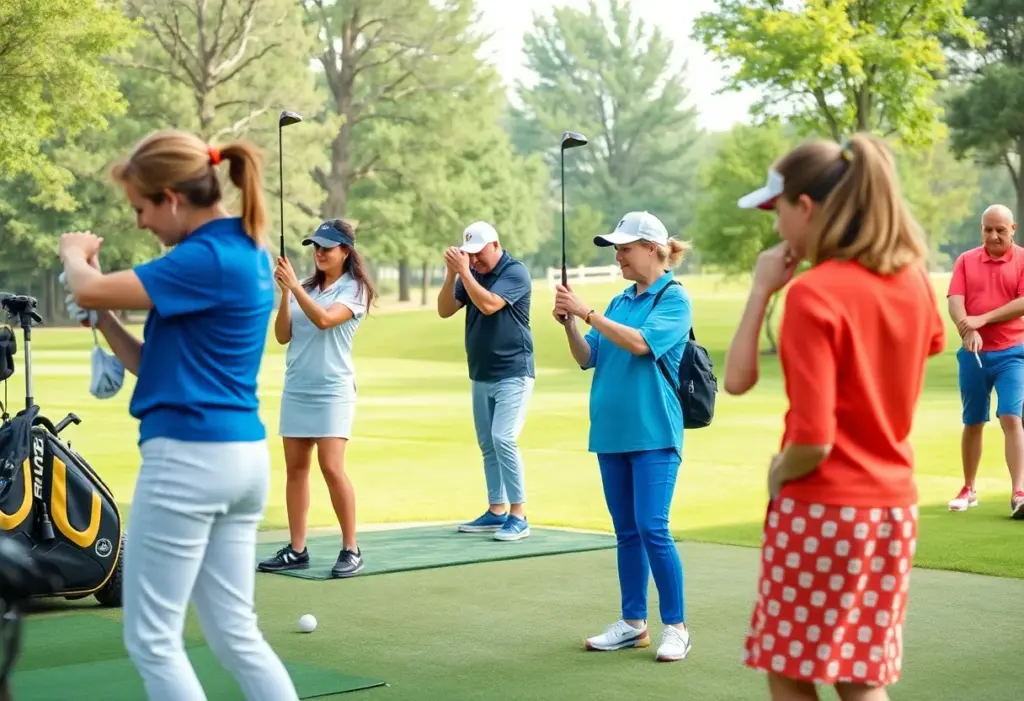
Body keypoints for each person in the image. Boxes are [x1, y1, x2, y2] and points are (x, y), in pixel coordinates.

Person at [58, 129, 299, 701]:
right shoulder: (243, 250)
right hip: (239, 459)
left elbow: (90, 289)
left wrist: (74, 254)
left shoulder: (204, 256)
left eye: (141, 208)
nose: (141, 223)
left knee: (152, 639)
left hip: (188, 460)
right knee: (236, 634)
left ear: (170, 198)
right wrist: (107, 324)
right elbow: (152, 362)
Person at [725, 134, 945, 701]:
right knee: (861, 679)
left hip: (822, 506)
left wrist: (778, 475)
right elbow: (929, 344)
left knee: (790, 668)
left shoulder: (813, 294)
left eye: (777, 212)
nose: (775, 229)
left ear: (806, 207)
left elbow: (813, 440)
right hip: (892, 512)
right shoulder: (915, 281)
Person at [552, 210, 693, 663]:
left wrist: (586, 311)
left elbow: (640, 345)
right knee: (627, 532)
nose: (619, 257)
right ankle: (634, 624)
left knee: (653, 527)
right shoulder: (619, 302)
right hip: (611, 434)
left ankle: (677, 626)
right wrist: (571, 323)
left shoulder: (673, 299)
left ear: (652, 249)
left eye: (625, 249)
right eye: (616, 250)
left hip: (654, 431)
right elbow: (587, 357)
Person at [257, 219, 375, 577]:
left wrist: (295, 287)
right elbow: (282, 336)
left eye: (327, 247)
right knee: (296, 470)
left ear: (346, 251)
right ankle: (297, 549)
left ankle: (351, 548)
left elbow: (325, 320)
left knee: (331, 466)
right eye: (316, 247)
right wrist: (286, 294)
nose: (319, 253)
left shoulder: (354, 290)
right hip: (298, 386)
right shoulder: (305, 287)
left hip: (332, 389)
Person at [436, 221, 535, 542]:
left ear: (494, 244)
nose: (474, 260)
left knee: (503, 437)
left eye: (478, 254)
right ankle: (496, 510)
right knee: (487, 444)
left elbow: (491, 305)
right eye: (469, 255)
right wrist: (453, 273)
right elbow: (444, 310)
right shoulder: (470, 273)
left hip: (514, 371)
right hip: (481, 371)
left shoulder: (514, 272)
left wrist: (465, 273)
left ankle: (519, 514)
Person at [945, 204, 1024, 518]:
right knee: (973, 421)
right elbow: (955, 301)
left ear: (1012, 229)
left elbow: (1021, 303)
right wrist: (966, 330)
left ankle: (1019, 493)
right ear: (981, 229)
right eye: (988, 229)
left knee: (1011, 417)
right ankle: (969, 488)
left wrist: (983, 320)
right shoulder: (966, 260)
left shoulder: (1022, 259)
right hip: (974, 355)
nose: (993, 236)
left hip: (1013, 353)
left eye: (1000, 230)